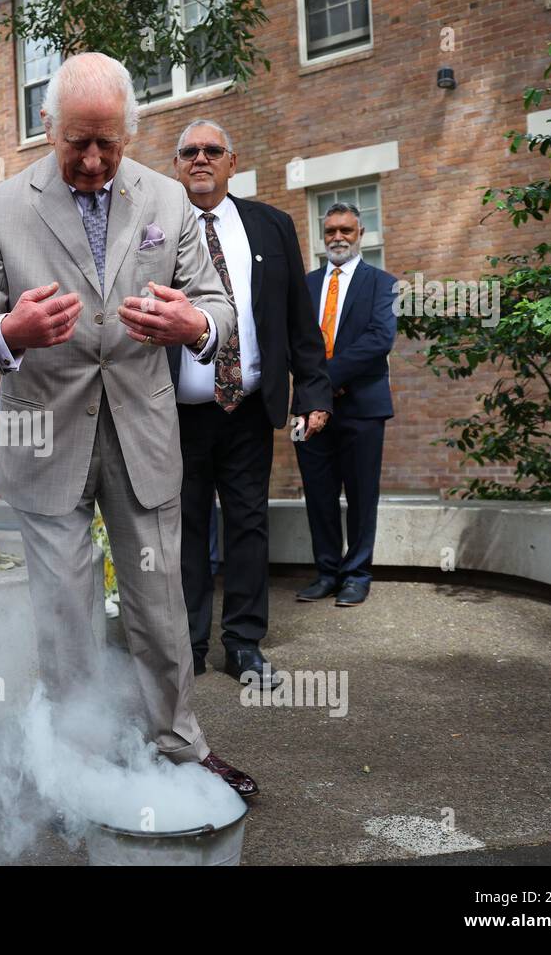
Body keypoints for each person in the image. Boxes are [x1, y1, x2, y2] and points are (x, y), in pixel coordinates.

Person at [0, 52, 258, 798]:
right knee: (65, 612)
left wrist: (194, 324)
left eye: (107, 144)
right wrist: (9, 333)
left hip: (142, 435)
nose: (91, 160)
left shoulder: (168, 200)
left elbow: (216, 306)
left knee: (158, 605)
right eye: (76, 142)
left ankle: (179, 746)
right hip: (44, 440)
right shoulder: (4, 205)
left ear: (131, 131)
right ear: (47, 127)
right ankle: (78, 761)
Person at [167, 119, 333, 686]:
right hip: (177, 414)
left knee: (248, 524)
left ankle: (243, 644)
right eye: (189, 151)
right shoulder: (154, 230)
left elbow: (296, 320)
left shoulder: (271, 225)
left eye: (213, 150)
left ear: (232, 163)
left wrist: (313, 388)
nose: (201, 159)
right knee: (183, 531)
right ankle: (187, 646)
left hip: (248, 408)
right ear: (176, 164)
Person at [294, 202, 398, 607]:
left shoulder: (383, 284)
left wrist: (326, 379)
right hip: (309, 409)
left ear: (361, 235)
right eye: (331, 231)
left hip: (363, 407)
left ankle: (357, 574)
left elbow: (378, 341)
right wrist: (315, 391)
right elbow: (295, 343)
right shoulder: (305, 286)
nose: (338, 238)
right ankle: (326, 572)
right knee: (317, 494)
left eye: (346, 231)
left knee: (360, 494)